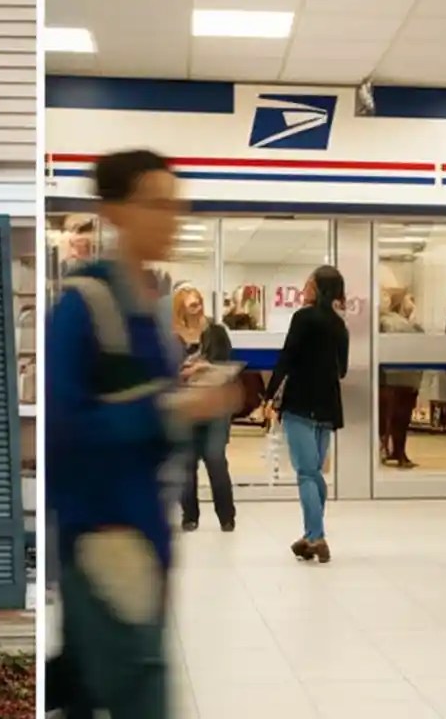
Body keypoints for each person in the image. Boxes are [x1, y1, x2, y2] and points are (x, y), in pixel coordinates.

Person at [46, 149, 242, 717]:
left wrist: (184, 403)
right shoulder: (85, 308)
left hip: (144, 547)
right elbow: (62, 434)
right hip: (104, 549)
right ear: (115, 211)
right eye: (156, 203)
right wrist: (171, 410)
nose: (171, 217)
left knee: (84, 691)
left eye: (176, 204)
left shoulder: (150, 317)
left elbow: (152, 433)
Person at [266, 266, 349, 564]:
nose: (304, 287)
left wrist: (269, 395)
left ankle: (316, 536)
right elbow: (342, 369)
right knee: (313, 471)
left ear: (316, 288)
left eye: (308, 283)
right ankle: (311, 533)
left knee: (306, 472)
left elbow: (286, 357)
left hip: (300, 402)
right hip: (327, 406)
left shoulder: (302, 318)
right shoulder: (340, 326)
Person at [173, 286, 238, 532]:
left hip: (215, 404)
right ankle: (190, 515)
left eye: (199, 303)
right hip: (186, 405)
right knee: (187, 460)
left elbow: (225, 362)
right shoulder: (171, 337)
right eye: (192, 305)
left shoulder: (216, 332)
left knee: (215, 457)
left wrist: (205, 367)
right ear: (180, 308)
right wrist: (185, 372)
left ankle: (227, 516)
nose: (198, 308)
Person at [379, 291, 423, 468]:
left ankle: (396, 451)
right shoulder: (392, 322)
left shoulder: (391, 321)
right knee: (399, 418)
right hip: (399, 378)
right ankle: (396, 452)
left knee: (396, 418)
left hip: (399, 378)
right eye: (409, 299)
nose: (412, 303)